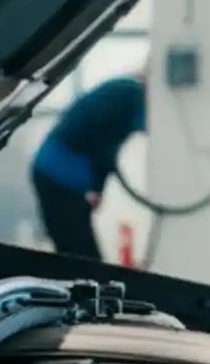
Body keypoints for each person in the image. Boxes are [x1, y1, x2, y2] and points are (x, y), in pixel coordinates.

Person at [31, 70, 147, 260]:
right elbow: (106, 144)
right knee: (81, 258)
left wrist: (97, 187)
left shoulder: (124, 91)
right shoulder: (131, 95)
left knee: (73, 253)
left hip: (54, 172)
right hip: (60, 175)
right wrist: (97, 187)